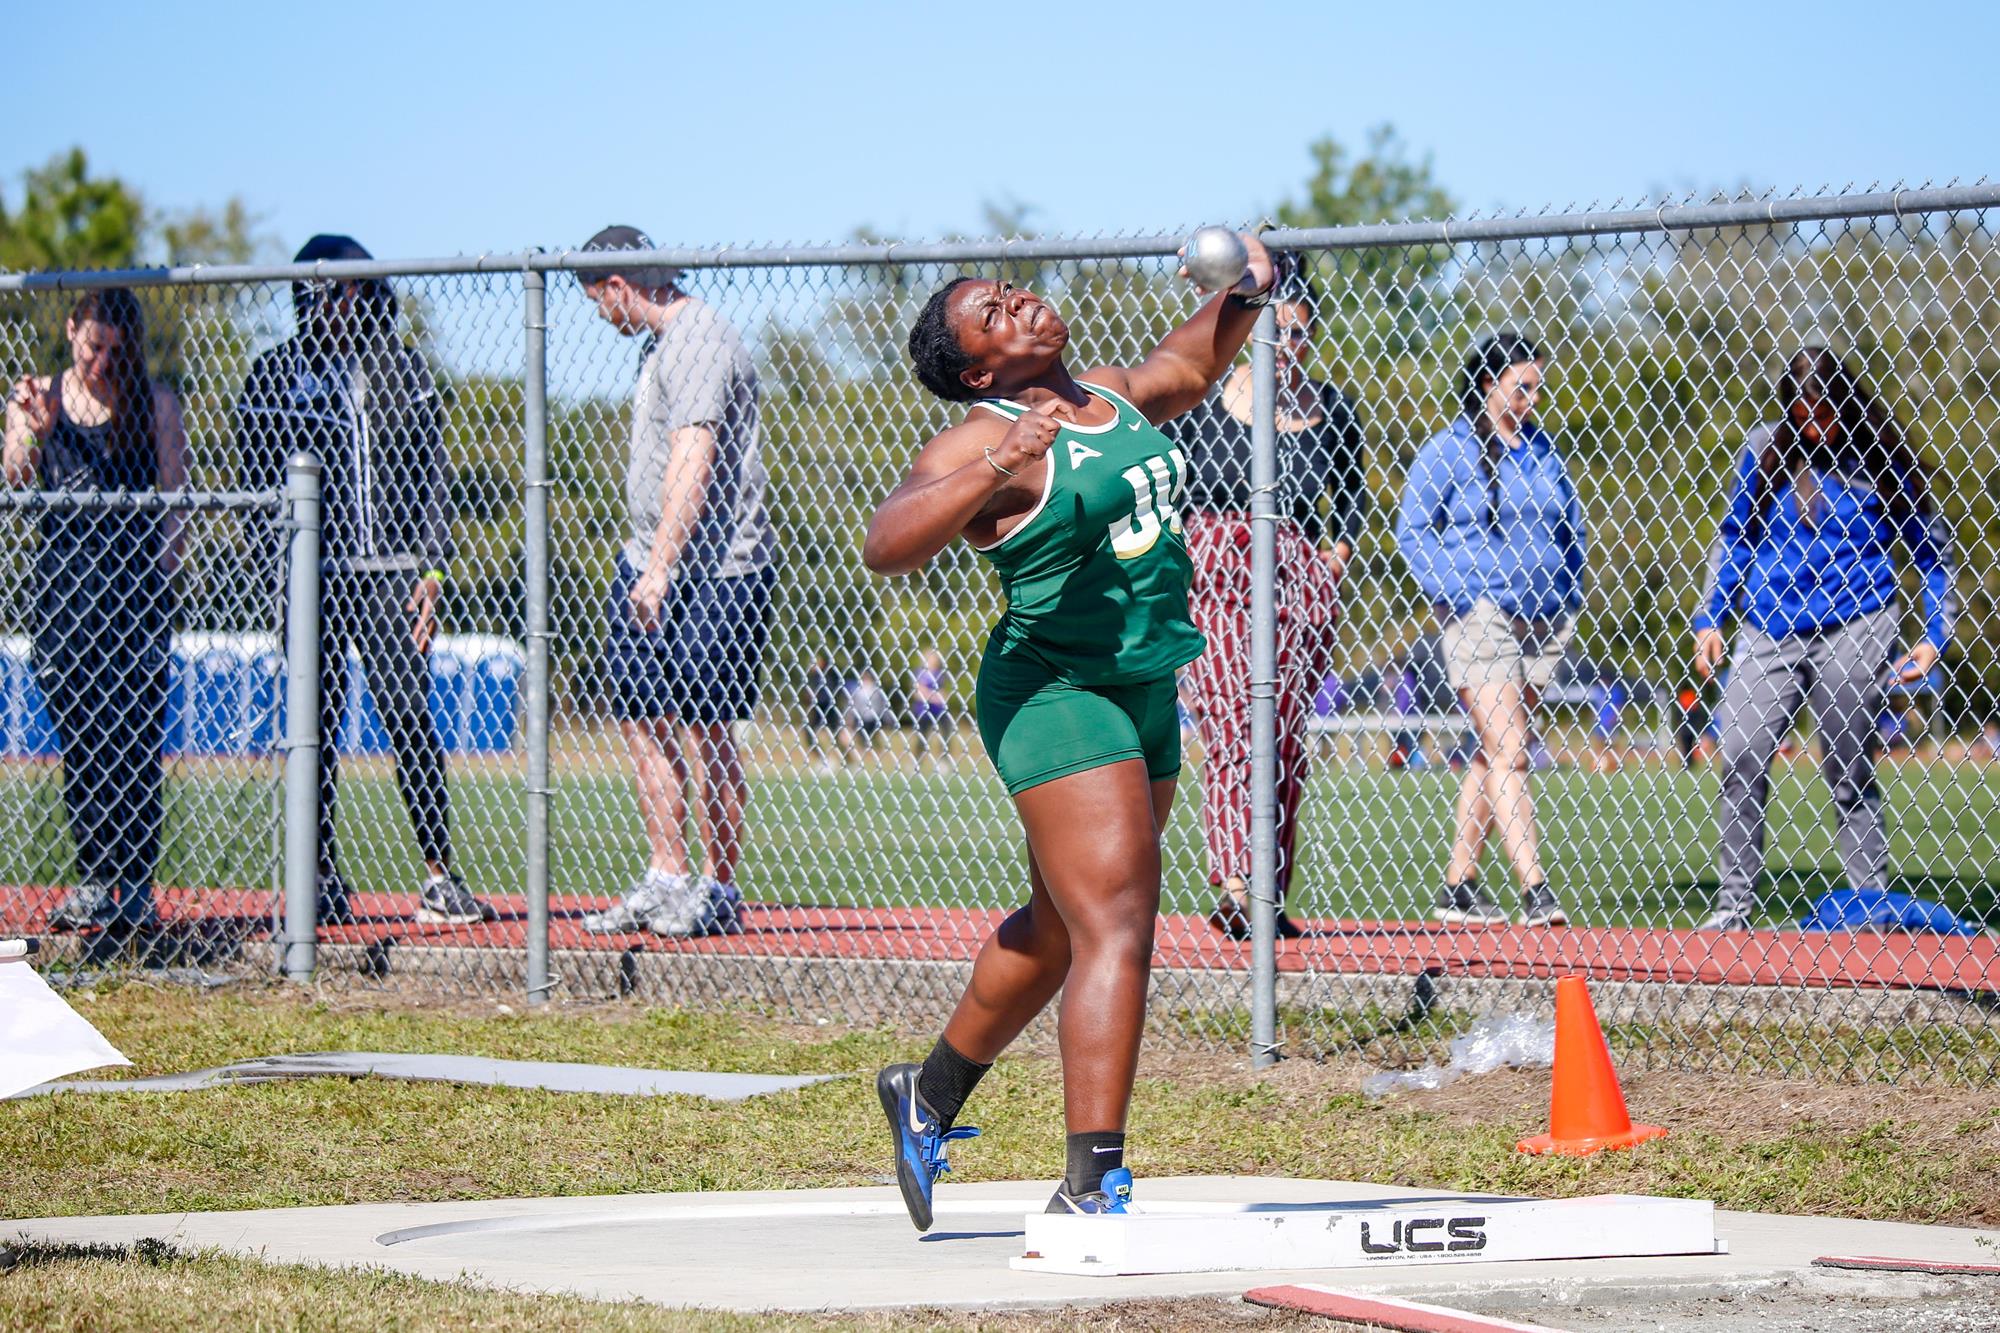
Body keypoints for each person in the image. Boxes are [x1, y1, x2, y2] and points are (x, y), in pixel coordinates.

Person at [865, 233, 1278, 1227]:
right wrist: (997, 464)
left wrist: (1249, 293)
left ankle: (925, 1095)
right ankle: (1093, 1180)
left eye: (1013, 292)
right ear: (977, 368)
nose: (1022, 306)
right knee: (1119, 918)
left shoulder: (1105, 392)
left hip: (1140, 684)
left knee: (1059, 933)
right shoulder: (980, 433)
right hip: (1052, 691)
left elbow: (1183, 366)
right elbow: (886, 544)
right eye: (995, 316)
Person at [238, 234, 488, 927]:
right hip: (311, 579)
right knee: (312, 725)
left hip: (389, 577)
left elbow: (434, 477)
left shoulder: (403, 370)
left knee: (410, 714)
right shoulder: (275, 373)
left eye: (350, 289)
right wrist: (279, 575)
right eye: (327, 291)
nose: (340, 304)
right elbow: (256, 486)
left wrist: (432, 570)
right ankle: (318, 874)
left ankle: (439, 876)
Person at [1692, 348, 1954, 932]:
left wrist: (1935, 634)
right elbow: (1735, 536)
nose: (1815, 429)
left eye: (1826, 416)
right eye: (1803, 416)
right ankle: (1733, 906)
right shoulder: (1765, 449)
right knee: (1739, 749)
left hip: (1859, 617)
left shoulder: (1880, 456)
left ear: (1846, 405)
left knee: (1844, 761)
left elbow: (1931, 551)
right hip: (1770, 622)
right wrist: (1710, 617)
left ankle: (1871, 903)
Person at [575, 226, 777, 939]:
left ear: (620, 287)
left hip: (718, 568)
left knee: (706, 724)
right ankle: (666, 877)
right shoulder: (659, 344)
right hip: (648, 561)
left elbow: (694, 454)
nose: (601, 314)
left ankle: (719, 888)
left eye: (599, 299)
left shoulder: (697, 337)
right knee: (640, 716)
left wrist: (660, 566)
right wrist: (645, 561)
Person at [1163, 259, 1362, 940]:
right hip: (1217, 565)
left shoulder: (1330, 407)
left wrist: (1334, 557)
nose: (1288, 346)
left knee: (1283, 735)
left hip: (1300, 569)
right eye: (1275, 331)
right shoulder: (1202, 401)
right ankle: (1235, 878)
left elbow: (1351, 497)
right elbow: (1164, 483)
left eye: (1300, 334)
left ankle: (1271, 888)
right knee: (1232, 725)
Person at [6, 290, 186, 934]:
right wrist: (34, 426)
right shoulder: (40, 395)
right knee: (81, 740)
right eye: (93, 346)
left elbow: (173, 500)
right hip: (64, 594)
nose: (103, 361)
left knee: (135, 740)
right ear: (71, 329)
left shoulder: (155, 403)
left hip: (135, 593)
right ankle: (95, 876)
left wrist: (165, 584)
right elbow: (16, 477)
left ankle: (135, 886)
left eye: (117, 350)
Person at [1396, 331, 1584, 928]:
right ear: (1489, 384)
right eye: (1522, 385)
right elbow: (1413, 532)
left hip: (1547, 613)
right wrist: (1462, 590)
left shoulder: (1543, 449)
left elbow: (1570, 522)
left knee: (1493, 750)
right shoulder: (1448, 451)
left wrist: (1571, 588)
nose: (1533, 396)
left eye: (1538, 386)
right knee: (1511, 749)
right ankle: (1536, 887)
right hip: (1482, 615)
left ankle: (1458, 886)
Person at [908, 650, 955, 771]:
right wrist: (933, 696)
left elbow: (943, 693)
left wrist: (936, 697)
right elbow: (918, 692)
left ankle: (944, 760)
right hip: (923, 710)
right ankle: (917, 761)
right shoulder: (920, 672)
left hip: (939, 710)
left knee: (946, 734)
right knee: (922, 737)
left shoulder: (940, 674)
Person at [839, 668, 893, 764]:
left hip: (871, 720)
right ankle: (858, 758)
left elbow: (882, 706)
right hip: (861, 718)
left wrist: (887, 719)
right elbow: (852, 706)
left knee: (867, 743)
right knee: (851, 739)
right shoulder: (859, 690)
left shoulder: (874, 690)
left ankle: (864, 758)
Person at [804, 653, 843, 773]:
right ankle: (823, 758)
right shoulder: (812, 678)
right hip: (818, 708)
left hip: (828, 707)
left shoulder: (827, 676)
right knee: (810, 733)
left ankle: (846, 759)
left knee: (836, 734)